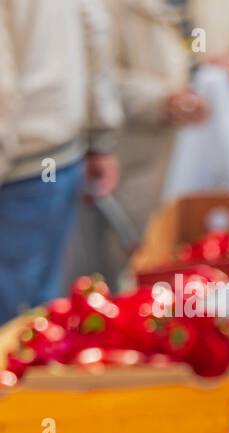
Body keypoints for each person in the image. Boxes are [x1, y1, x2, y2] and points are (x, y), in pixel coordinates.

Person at [84, 0, 229, 285]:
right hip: (148, 164)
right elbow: (97, 76)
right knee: (157, 276)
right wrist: (162, 100)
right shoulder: (109, 6)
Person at [0, 0, 123, 325]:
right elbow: (94, 26)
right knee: (39, 314)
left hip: (17, 166)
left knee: (14, 321)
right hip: (56, 156)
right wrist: (100, 137)